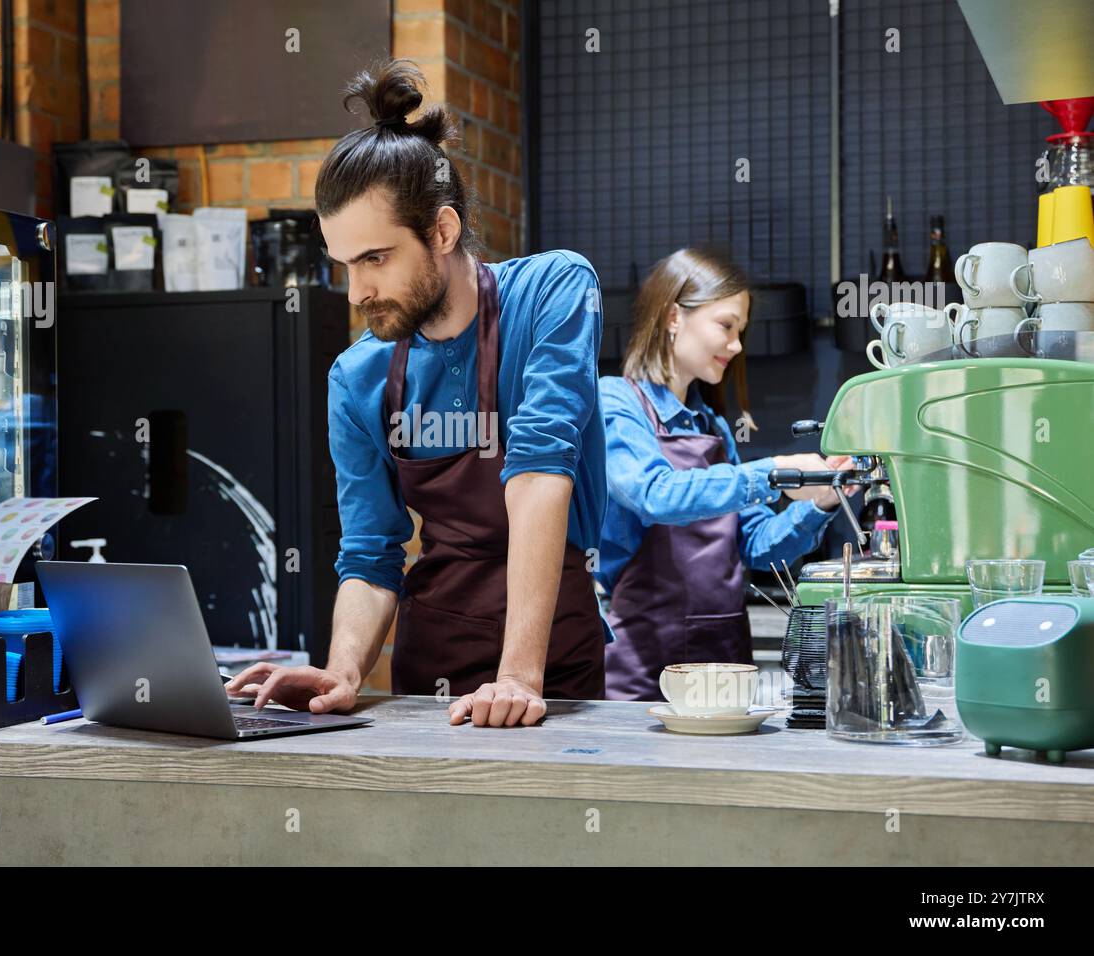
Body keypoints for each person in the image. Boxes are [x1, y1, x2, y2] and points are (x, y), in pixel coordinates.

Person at [226, 60, 609, 727]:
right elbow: (371, 552)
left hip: (552, 669)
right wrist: (341, 669)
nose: (356, 293)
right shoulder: (358, 377)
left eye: (375, 259)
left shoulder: (552, 293)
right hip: (431, 671)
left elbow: (541, 472)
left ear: (442, 231)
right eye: (344, 265)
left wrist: (517, 677)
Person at [597, 248, 851, 700]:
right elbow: (657, 495)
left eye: (741, 332)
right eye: (727, 325)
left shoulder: (713, 429)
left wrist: (822, 502)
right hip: (643, 671)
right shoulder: (616, 403)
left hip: (726, 662)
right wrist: (775, 472)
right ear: (675, 316)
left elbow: (756, 546)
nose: (736, 346)